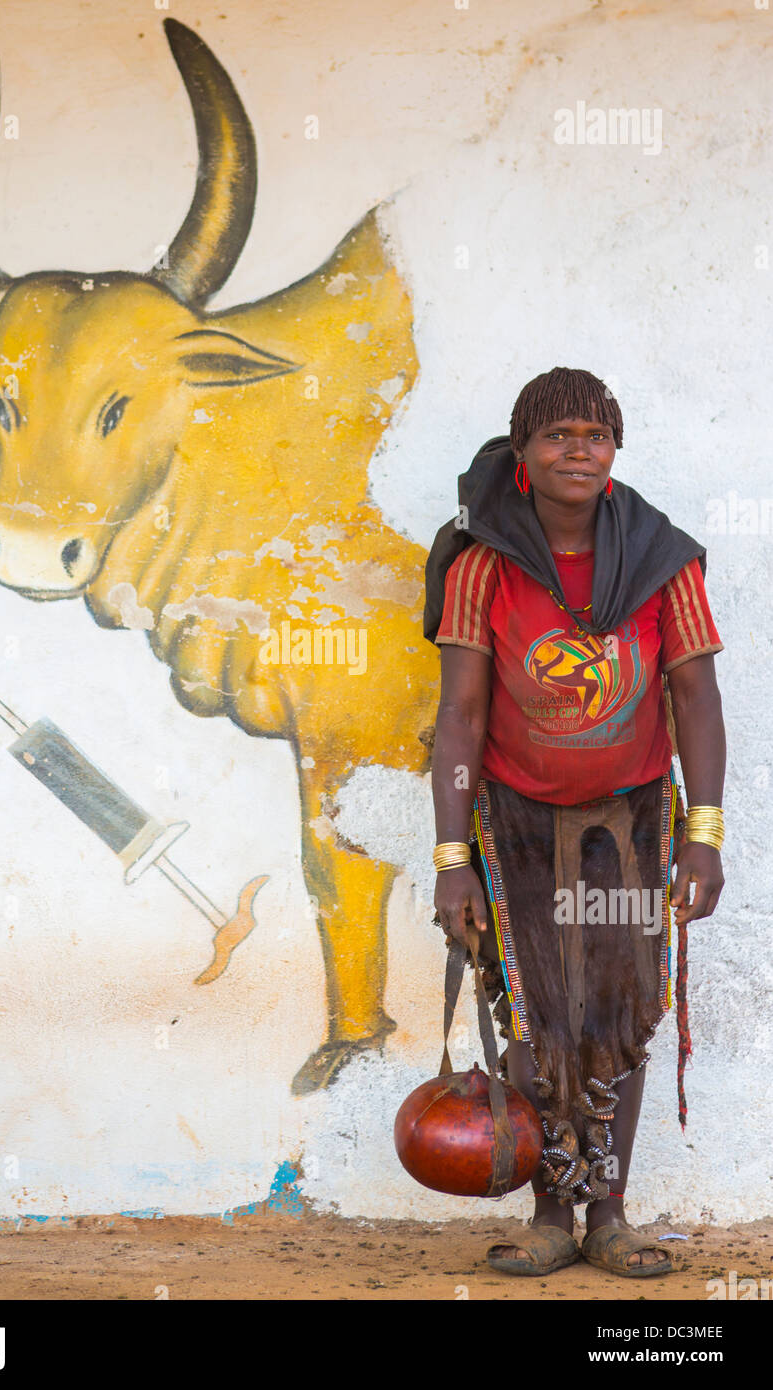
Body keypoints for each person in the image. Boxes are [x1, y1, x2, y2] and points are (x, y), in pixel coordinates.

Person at [424, 367, 725, 1277]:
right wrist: (450, 858)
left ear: (614, 450)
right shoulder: (481, 564)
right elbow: (461, 718)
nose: (576, 451)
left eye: (594, 435)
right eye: (556, 436)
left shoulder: (661, 563)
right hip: (512, 819)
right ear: (521, 452)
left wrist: (704, 835)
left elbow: (696, 702)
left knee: (617, 1013)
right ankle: (551, 1215)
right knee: (534, 1013)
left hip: (628, 823)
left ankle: (611, 1216)